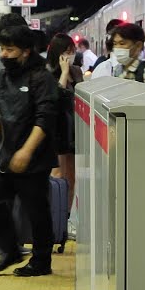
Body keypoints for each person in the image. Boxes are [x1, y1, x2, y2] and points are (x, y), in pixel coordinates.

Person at [0, 25, 58, 277]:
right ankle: (10, 249)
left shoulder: (41, 77)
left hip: (33, 155)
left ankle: (41, 261)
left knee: (35, 209)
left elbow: (45, 118)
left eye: (9, 49)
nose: (3, 54)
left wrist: (26, 151)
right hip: (5, 152)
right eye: (2, 48)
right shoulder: (4, 75)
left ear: (26, 51)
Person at [45, 33, 81, 210]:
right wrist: (64, 73)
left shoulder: (77, 71)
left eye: (72, 51)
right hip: (57, 129)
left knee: (71, 176)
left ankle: (65, 214)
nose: (70, 55)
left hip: (74, 129)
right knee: (58, 173)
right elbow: (54, 98)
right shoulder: (47, 72)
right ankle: (55, 214)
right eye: (67, 51)